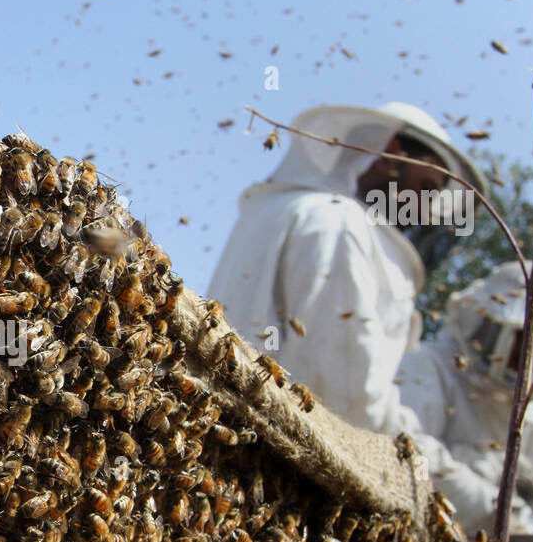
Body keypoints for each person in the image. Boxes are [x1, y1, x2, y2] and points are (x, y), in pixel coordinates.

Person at [207, 102, 487, 438]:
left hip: (226, 426)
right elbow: (349, 393)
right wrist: (416, 446)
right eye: (426, 188)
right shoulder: (338, 223)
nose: (425, 210)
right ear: (390, 153)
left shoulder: (283, 208)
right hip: (271, 448)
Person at [398, 263, 533, 534]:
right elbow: (411, 454)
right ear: (489, 325)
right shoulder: (425, 366)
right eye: (525, 335)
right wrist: (490, 509)